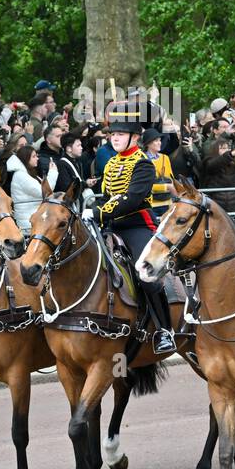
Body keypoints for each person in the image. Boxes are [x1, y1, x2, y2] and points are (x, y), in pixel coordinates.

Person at [93, 99, 176, 354]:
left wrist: (100, 212)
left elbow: (132, 199)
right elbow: (106, 196)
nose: (114, 138)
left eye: (120, 134)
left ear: (135, 137)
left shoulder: (143, 164)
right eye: (112, 134)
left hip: (136, 225)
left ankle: (165, 330)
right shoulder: (110, 164)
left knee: (146, 274)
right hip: (110, 226)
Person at [5, 143, 57, 232]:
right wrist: (53, 172)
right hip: (28, 222)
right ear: (26, 158)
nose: (37, 158)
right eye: (33, 156)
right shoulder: (20, 175)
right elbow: (44, 192)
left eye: (36, 156)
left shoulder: (29, 173)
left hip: (34, 217)